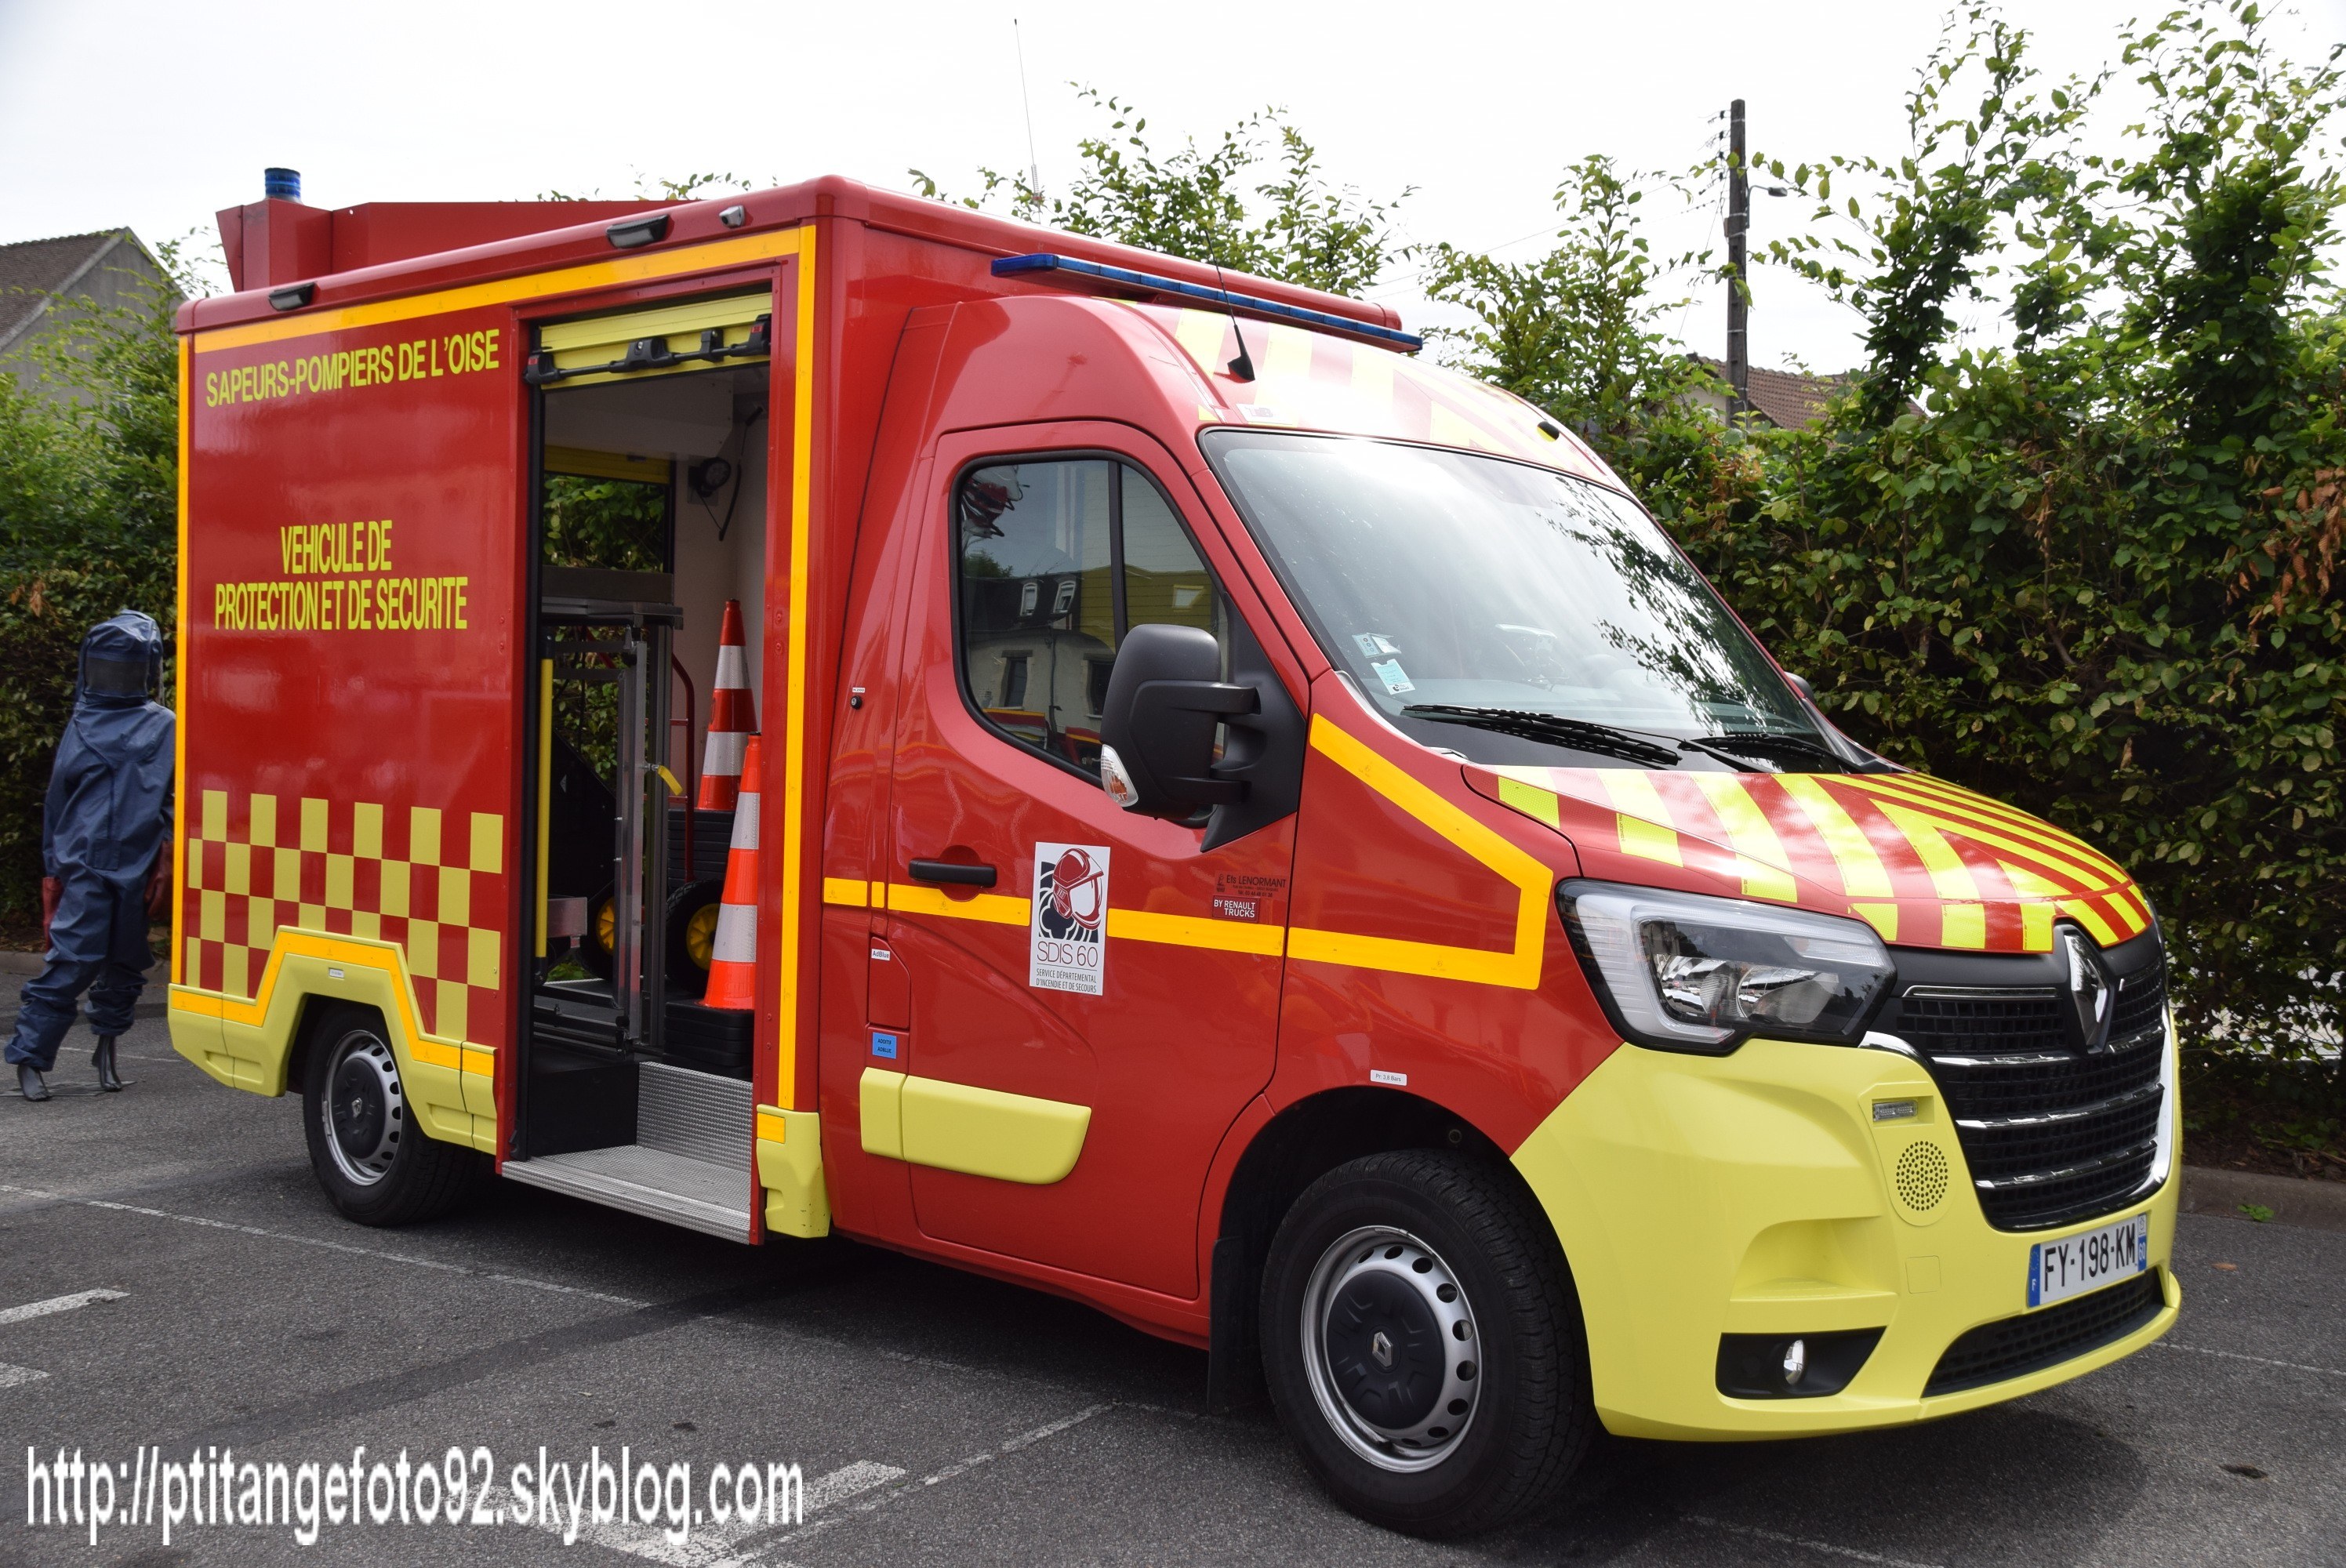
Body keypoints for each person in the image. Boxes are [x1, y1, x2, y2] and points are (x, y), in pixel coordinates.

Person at [8, 611, 172, 1102]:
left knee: (125, 961)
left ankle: (106, 1053)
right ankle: (32, 1059)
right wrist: (55, 869)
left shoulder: (164, 725)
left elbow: (171, 800)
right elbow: (60, 801)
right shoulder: (85, 722)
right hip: (85, 863)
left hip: (137, 862)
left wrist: (165, 854)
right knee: (74, 959)